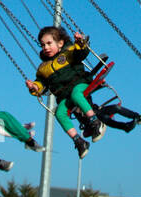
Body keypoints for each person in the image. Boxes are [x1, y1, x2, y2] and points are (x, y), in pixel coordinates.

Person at [26, 26, 104, 159]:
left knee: (76, 94)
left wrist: (80, 43)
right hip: (64, 95)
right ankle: (79, 141)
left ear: (60, 43)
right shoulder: (43, 68)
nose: (46, 47)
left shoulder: (68, 51)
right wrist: (34, 87)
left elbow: (81, 54)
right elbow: (42, 83)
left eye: (49, 43)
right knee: (59, 113)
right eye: (43, 45)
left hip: (80, 83)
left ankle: (95, 121)